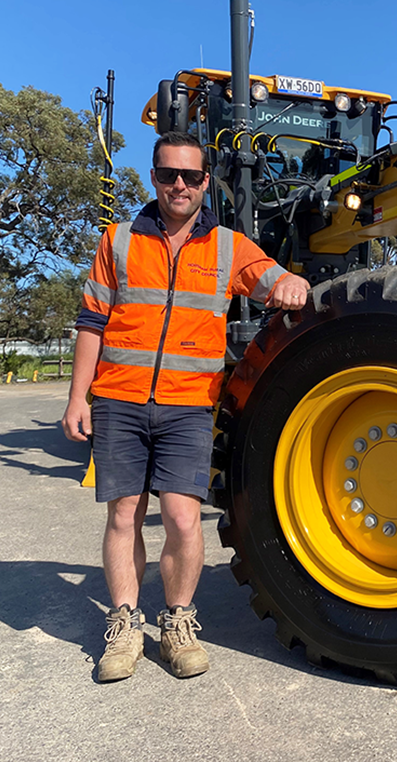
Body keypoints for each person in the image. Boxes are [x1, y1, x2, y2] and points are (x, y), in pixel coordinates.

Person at [61, 131, 310, 681]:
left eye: (191, 177)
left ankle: (177, 623)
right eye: (169, 175)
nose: (180, 185)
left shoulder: (227, 246)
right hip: (120, 401)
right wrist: (78, 397)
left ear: (205, 183)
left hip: (189, 407)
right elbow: (92, 323)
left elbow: (271, 278)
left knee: (182, 517)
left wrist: (291, 280)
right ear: (153, 178)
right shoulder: (119, 240)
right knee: (124, 514)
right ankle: (125, 626)